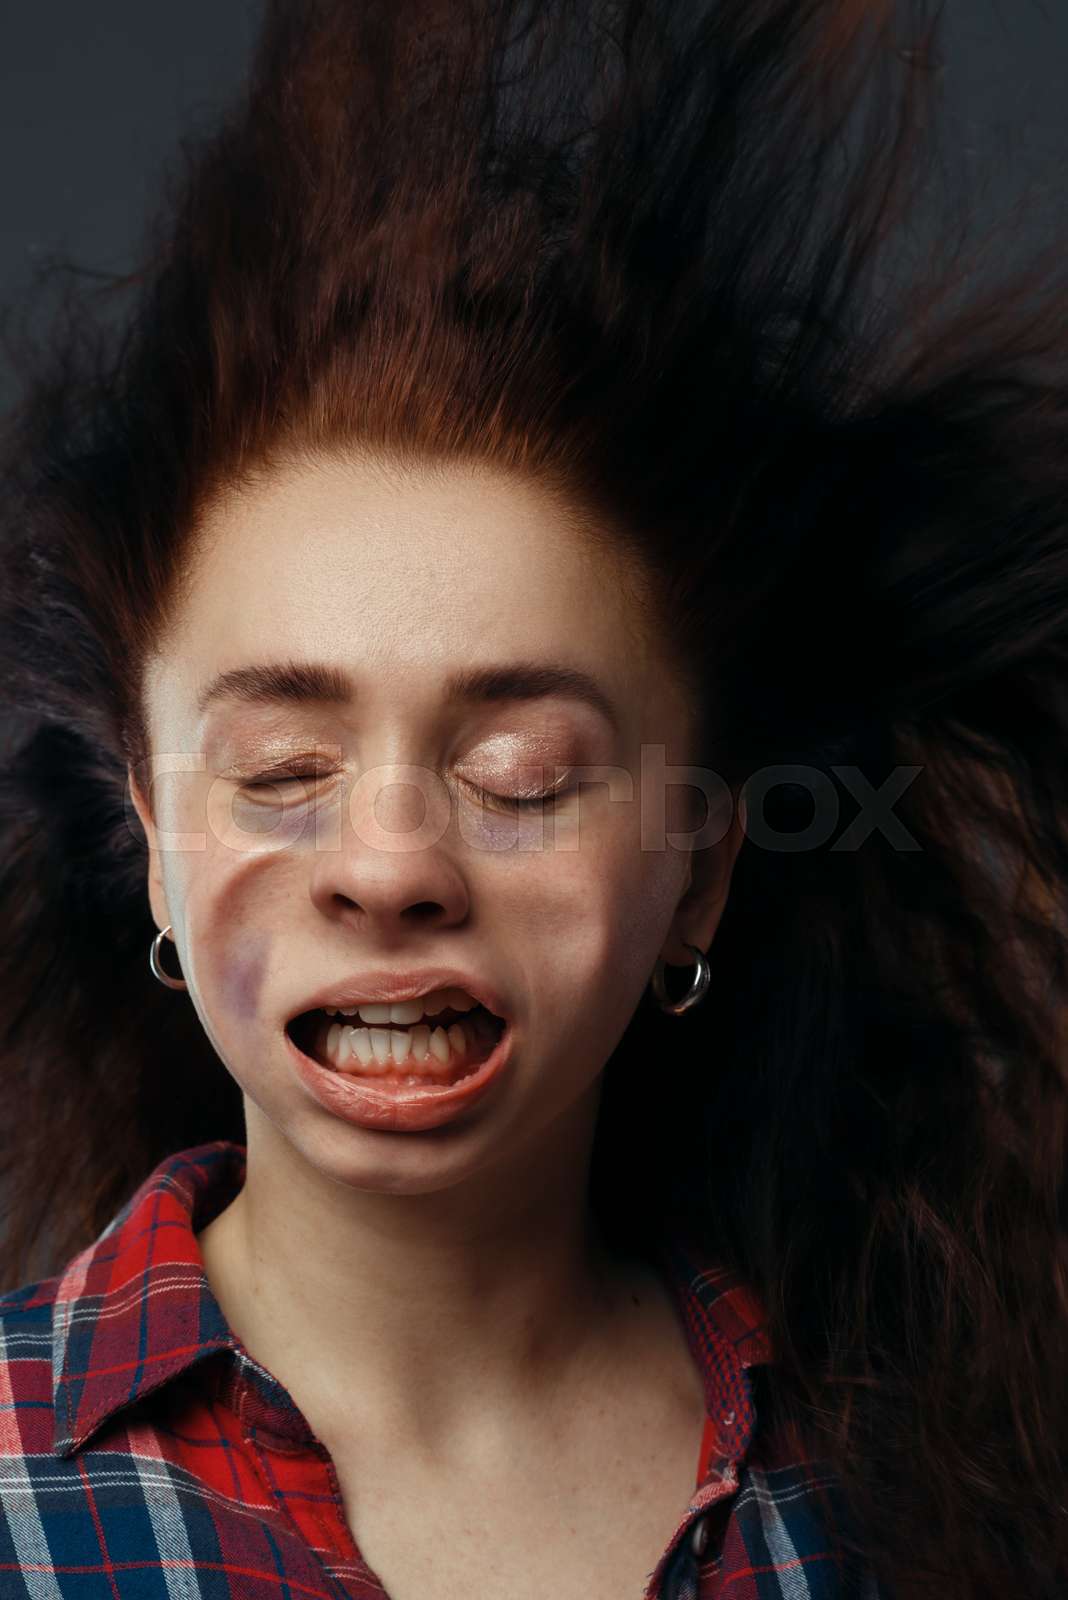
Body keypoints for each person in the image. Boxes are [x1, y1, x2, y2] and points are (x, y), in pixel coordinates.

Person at [1, 0, 1066, 1595]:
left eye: (525, 777)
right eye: (284, 769)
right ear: (151, 842)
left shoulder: (929, 1479)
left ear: (700, 872)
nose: (390, 866)